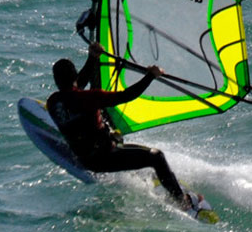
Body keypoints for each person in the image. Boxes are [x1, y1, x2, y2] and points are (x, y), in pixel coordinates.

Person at [46, 51, 205, 215]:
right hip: (104, 158)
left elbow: (74, 88)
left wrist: (92, 58)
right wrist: (150, 76)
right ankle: (182, 201)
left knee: (115, 137)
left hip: (83, 157)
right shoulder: (90, 97)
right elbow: (126, 95)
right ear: (75, 76)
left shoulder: (53, 102)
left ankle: (144, 174)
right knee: (156, 157)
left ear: (56, 80)